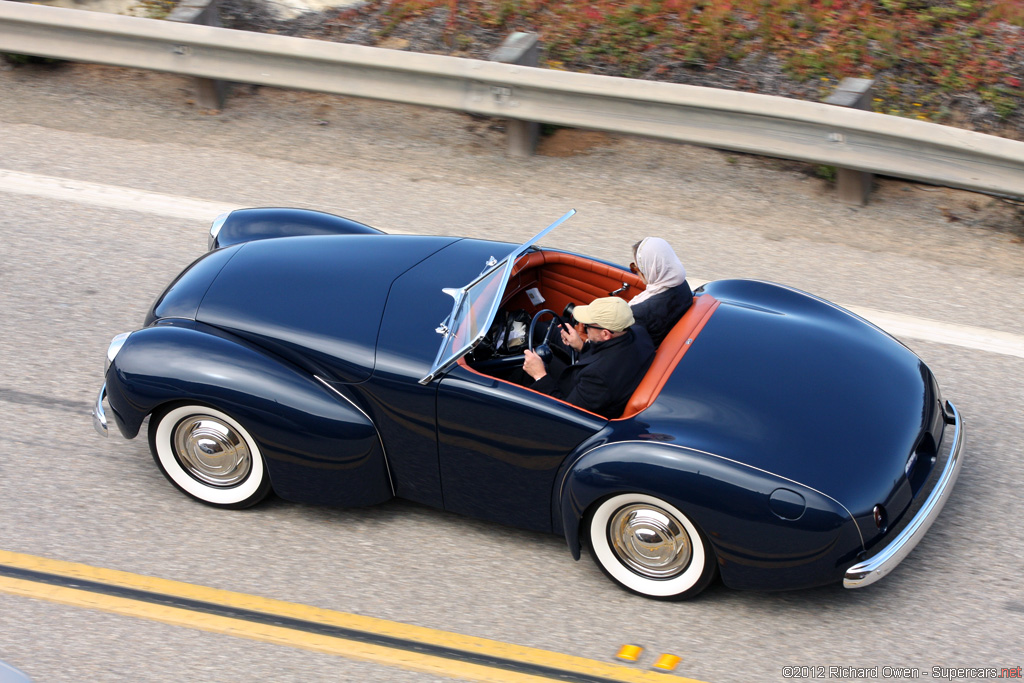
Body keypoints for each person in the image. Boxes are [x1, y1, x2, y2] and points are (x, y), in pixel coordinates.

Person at [523, 297, 654, 419]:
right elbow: (607, 354)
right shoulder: (639, 333)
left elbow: (566, 412)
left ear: (605, 334)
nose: (584, 327)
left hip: (571, 403)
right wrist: (581, 346)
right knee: (547, 332)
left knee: (521, 370)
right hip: (595, 380)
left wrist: (539, 375)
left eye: (587, 326)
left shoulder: (598, 378)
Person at [628, 237, 693, 346]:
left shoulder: (639, 312)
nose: (636, 272)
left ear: (650, 268)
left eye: (636, 267)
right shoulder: (681, 284)